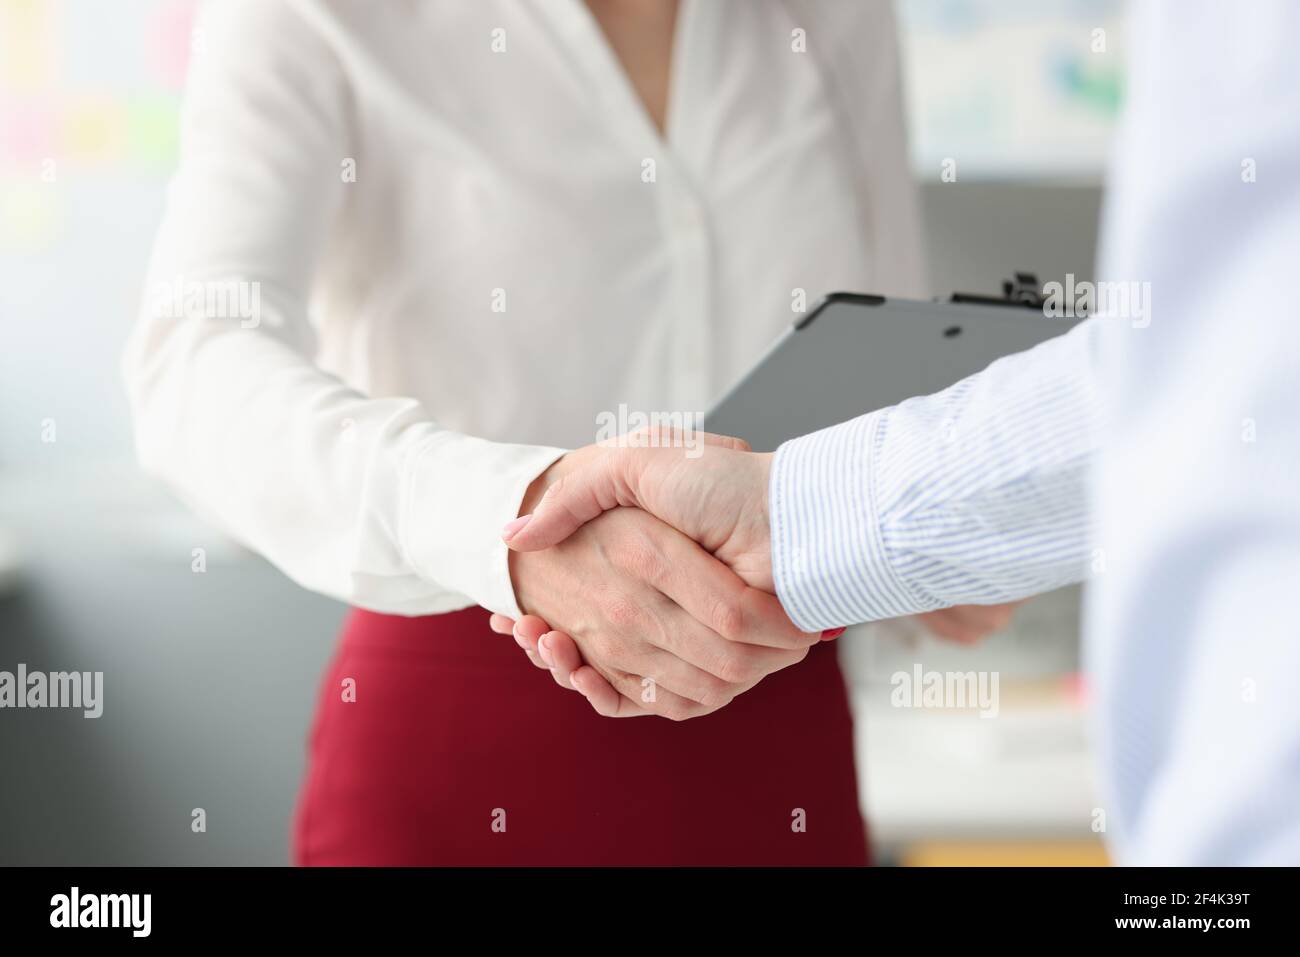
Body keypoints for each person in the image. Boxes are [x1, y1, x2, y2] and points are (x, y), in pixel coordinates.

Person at [123, 0, 1010, 865]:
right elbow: (191, 363)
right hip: (460, 732)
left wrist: (932, 520)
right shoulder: (314, 15)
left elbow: (892, 349)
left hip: (779, 737)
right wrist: (517, 516)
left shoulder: (838, 17)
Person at [498, 0, 1300, 864]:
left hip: (787, 670)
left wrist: (855, 532)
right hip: (492, 685)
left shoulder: (833, 23)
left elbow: (1216, 367)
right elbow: (1206, 369)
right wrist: (513, 516)